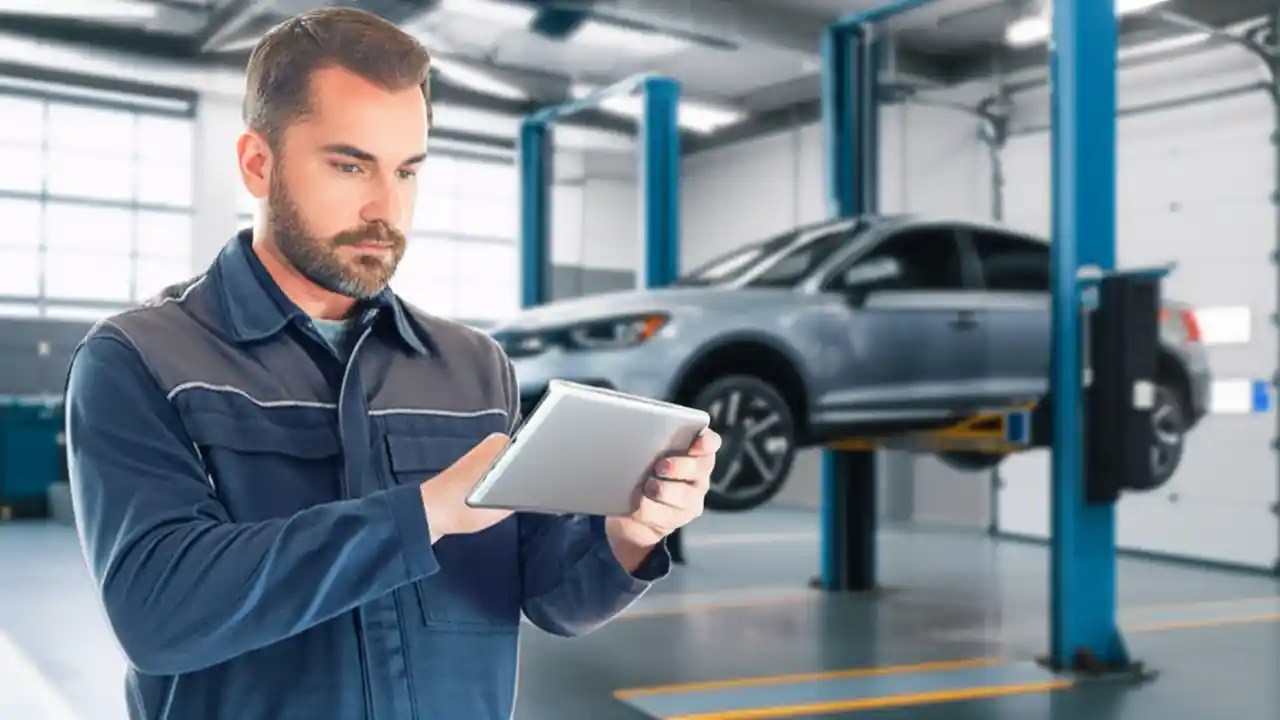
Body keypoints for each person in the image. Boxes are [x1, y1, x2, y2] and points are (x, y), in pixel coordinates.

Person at [63, 7, 720, 719]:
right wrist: (422, 513)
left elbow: (550, 594)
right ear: (258, 163)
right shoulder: (142, 360)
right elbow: (160, 614)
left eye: (407, 171)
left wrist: (631, 529)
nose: (387, 208)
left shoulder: (471, 367)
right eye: (350, 165)